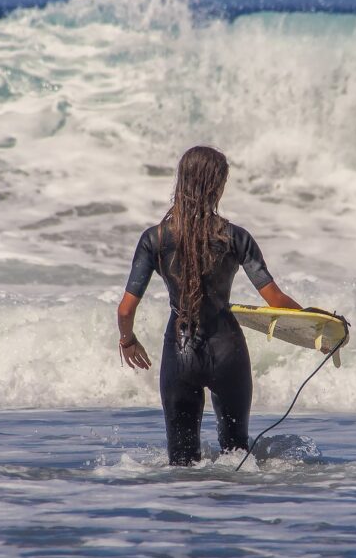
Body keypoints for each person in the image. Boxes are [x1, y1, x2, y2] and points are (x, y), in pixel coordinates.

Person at [116, 146, 304, 466]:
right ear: (217, 185)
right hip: (228, 351)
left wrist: (128, 340)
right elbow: (275, 300)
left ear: (182, 181)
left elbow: (125, 309)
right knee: (236, 457)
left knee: (181, 463)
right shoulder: (235, 237)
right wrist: (314, 321)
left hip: (180, 351)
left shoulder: (154, 239)